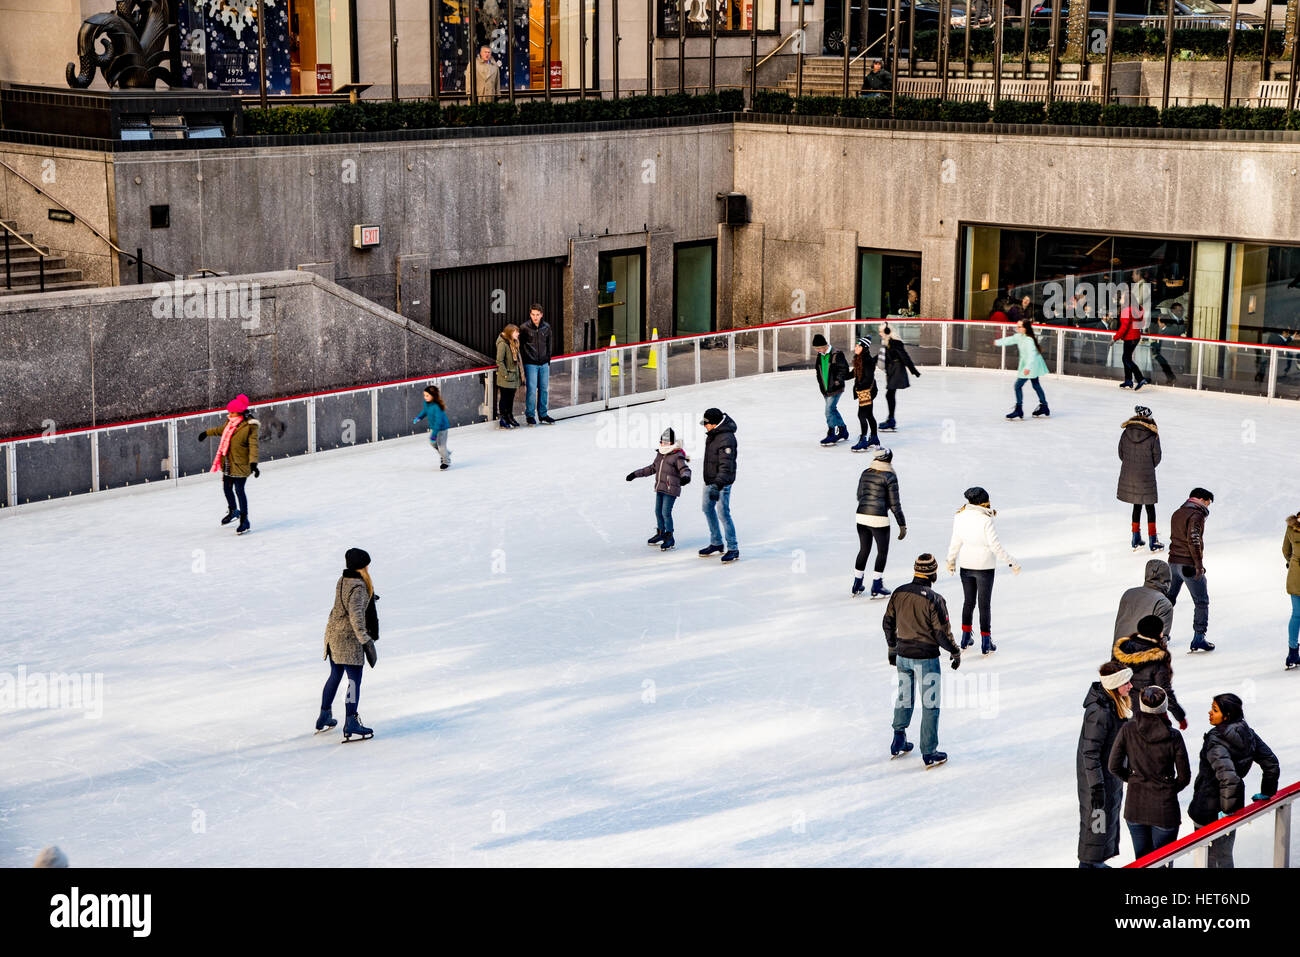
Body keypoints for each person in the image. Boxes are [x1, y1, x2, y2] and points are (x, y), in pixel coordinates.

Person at [882, 553, 961, 768]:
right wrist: (955, 652)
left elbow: (887, 622)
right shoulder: (934, 599)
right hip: (926, 659)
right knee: (930, 705)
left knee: (903, 696)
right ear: (933, 573)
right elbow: (941, 634)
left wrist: (892, 648)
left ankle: (898, 739)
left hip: (903, 656)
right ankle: (929, 751)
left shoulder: (899, 593)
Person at [1187, 693, 1281, 868]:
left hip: (1208, 808)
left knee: (1207, 859)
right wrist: (1267, 791)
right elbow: (1271, 763)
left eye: (1214, 710)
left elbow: (1230, 778)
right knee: (1224, 855)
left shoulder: (1216, 740)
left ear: (1227, 716)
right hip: (1231, 806)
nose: (1209, 713)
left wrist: (1226, 810)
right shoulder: (1247, 733)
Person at [1108, 686, 1191, 861]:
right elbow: (1184, 777)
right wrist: (1166, 789)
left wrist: (1133, 779)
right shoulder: (1173, 736)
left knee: (1142, 861)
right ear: (1164, 707)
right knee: (1162, 862)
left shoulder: (1128, 729)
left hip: (1135, 808)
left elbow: (1113, 766)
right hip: (1164, 811)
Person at [944, 486, 1020, 656]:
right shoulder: (986, 520)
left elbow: (955, 541)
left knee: (968, 602)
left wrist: (951, 560)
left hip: (966, 565)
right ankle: (986, 642)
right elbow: (996, 547)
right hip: (984, 567)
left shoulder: (960, 516)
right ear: (982, 503)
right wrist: (1012, 563)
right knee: (984, 605)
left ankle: (965, 638)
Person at [1077, 661, 1133, 868]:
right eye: (1126, 682)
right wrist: (1097, 787)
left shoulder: (1114, 705)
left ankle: (1095, 862)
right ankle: (1091, 864)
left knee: (1102, 827)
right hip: (1097, 785)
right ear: (1114, 684)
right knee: (1096, 828)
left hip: (1107, 779)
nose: (1130, 686)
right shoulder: (1100, 712)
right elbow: (1089, 753)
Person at [319, 548, 377, 741]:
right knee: (353, 681)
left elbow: (346, 603)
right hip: (348, 639)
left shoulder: (343, 580)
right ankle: (351, 721)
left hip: (333, 634)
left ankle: (324, 714)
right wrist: (366, 641)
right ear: (363, 566)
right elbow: (356, 618)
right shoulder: (359, 587)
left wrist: (367, 600)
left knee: (335, 674)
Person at [1111, 614, 1187, 731]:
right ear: (1157, 633)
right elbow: (1164, 692)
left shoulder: (1122, 650)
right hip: (1147, 716)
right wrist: (1180, 716)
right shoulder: (1157, 660)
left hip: (1120, 712)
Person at [198, 393, 259, 536]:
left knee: (239, 490)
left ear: (240, 411)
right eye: (229, 412)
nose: (229, 414)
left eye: (232, 412)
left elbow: (254, 445)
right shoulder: (230, 422)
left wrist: (254, 463)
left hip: (241, 464)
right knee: (226, 488)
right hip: (227, 462)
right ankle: (233, 511)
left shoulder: (250, 427)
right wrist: (206, 433)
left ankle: (245, 521)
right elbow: (221, 431)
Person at [852, 446, 906, 599]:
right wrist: (902, 524)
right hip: (878, 518)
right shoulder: (889, 476)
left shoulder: (866, 472)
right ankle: (876, 585)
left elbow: (859, 495)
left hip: (861, 515)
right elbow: (895, 504)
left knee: (864, 549)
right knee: (882, 552)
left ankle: (857, 583)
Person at [627, 427, 692, 552]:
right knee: (658, 511)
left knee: (665, 513)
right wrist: (635, 474)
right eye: (661, 441)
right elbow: (652, 468)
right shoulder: (660, 454)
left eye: (665, 442)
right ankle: (661, 533)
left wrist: (685, 478)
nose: (662, 444)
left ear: (671, 443)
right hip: (660, 488)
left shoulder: (677, 455)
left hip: (671, 489)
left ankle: (669, 537)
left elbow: (685, 469)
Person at [1168, 488, 1214, 653]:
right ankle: (1199, 638)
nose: (1208, 507)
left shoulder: (1178, 512)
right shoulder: (1197, 515)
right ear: (1201, 499)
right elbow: (1193, 539)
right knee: (1201, 601)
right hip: (1189, 565)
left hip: (1173, 563)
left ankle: (1161, 635)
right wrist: (1198, 565)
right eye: (1208, 503)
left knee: (1168, 600)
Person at [1117, 404, 1163, 552]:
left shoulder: (1126, 432)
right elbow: (1157, 457)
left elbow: (1121, 453)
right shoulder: (1152, 435)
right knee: (1150, 507)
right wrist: (1147, 466)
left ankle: (1135, 537)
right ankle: (1153, 540)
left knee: (1137, 505)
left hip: (1129, 475)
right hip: (1146, 475)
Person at [699, 407, 739, 564]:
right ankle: (716, 543)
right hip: (709, 480)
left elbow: (726, 466)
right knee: (707, 508)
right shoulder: (713, 435)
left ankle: (733, 548)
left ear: (715, 424)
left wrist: (717, 485)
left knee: (723, 513)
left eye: (706, 424)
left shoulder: (727, 438)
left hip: (722, 483)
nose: (705, 426)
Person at [994, 318, 1050, 419]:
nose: (1017, 328)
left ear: (1025, 328)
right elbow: (1009, 340)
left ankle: (1019, 409)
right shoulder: (1019, 336)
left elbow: (1031, 355)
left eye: (1019, 327)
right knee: (1036, 385)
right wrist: (998, 342)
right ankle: (1044, 406)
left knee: (1017, 386)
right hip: (1031, 364)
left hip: (1031, 364)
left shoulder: (1029, 340)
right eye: (1017, 326)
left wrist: (1028, 367)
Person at [1113, 559, 1174, 646]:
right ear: (1167, 580)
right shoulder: (1163, 603)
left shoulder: (1128, 594)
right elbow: (1160, 641)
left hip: (1118, 655)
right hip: (1142, 657)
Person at [878, 323, 920, 432]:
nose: (879, 334)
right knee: (890, 394)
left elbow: (904, 356)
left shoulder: (895, 342)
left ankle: (891, 420)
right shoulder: (887, 342)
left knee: (889, 394)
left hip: (897, 370)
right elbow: (881, 357)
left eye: (881, 331)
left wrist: (913, 370)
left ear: (887, 331)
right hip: (892, 370)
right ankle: (891, 419)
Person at [518, 303, 556, 426]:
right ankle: (530, 415)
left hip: (544, 364)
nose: (535, 317)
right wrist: (525, 362)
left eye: (537, 315)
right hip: (531, 364)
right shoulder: (524, 328)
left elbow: (549, 344)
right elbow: (520, 347)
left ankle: (543, 414)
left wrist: (548, 360)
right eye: (533, 314)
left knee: (544, 389)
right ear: (530, 314)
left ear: (541, 315)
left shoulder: (546, 327)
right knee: (532, 390)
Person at [812, 332, 851, 446]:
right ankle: (843, 430)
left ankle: (832, 433)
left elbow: (844, 369)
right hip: (825, 389)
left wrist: (837, 382)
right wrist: (821, 385)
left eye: (818, 348)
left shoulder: (836, 354)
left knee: (828, 411)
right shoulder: (820, 356)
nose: (817, 351)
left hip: (835, 388)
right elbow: (818, 372)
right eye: (816, 349)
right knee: (833, 409)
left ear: (824, 346)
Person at [849, 335, 881, 452]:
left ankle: (863, 440)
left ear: (864, 347)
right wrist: (841, 375)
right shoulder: (859, 359)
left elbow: (868, 379)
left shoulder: (867, 361)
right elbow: (853, 374)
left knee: (862, 415)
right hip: (864, 391)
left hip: (867, 392)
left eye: (858, 346)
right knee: (868, 415)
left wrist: (859, 387)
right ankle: (874, 438)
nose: (855, 348)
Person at [1113, 289, 1148, 390]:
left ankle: (1140, 378)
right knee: (1126, 358)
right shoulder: (1137, 309)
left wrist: (1114, 338)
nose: (1121, 299)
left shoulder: (1126, 310)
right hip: (1135, 337)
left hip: (1130, 337)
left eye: (1122, 298)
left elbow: (1124, 327)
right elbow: (1142, 323)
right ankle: (1128, 380)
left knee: (1126, 359)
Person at [413, 383, 452, 470]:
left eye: (427, 395)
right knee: (433, 443)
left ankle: (446, 461)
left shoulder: (437, 407)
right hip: (434, 428)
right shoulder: (426, 403)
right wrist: (419, 417)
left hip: (441, 429)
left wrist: (434, 435)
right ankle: (445, 453)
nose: (425, 397)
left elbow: (438, 422)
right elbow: (425, 411)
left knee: (441, 446)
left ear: (433, 396)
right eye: (424, 395)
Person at [495, 322, 523, 429]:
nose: (518, 334)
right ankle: (503, 418)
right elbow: (499, 361)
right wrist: (505, 374)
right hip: (506, 378)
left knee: (511, 398)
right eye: (516, 332)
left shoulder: (514, 343)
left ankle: (510, 416)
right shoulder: (503, 344)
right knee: (504, 398)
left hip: (514, 376)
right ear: (510, 333)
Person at [1283, 510, 1300, 669]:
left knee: (1296, 615)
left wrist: (1292, 562)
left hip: (1296, 576)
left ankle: (1293, 652)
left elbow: (1286, 550)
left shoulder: (1291, 527)